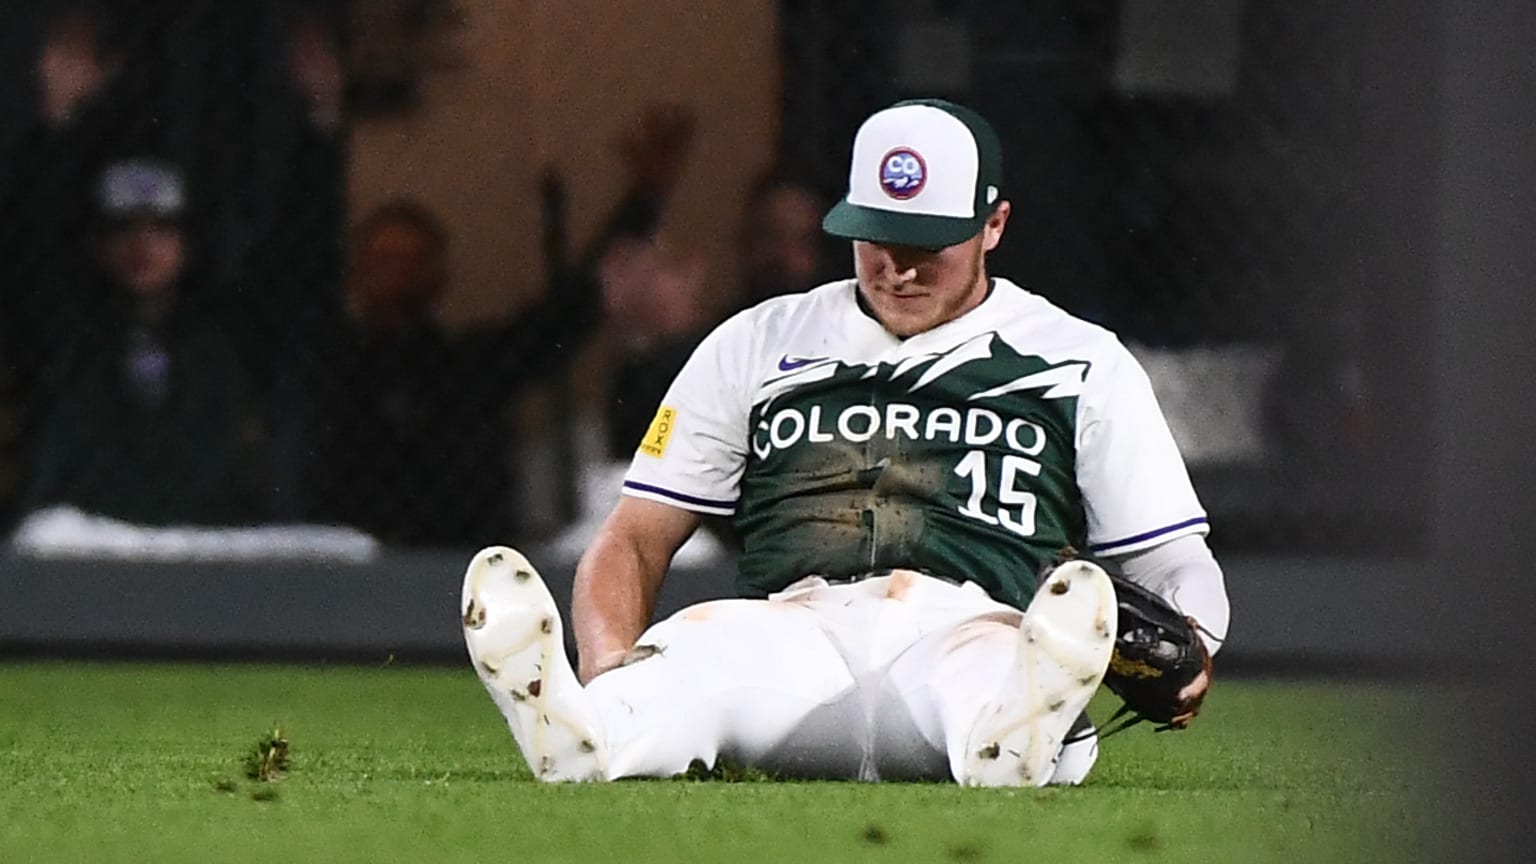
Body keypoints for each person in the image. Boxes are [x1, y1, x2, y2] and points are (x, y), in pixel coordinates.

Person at [460, 99, 1231, 787]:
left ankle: (1014, 735)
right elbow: (634, 537)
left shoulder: (1080, 360)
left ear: (993, 225)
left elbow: (1172, 554)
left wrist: (1195, 638)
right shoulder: (755, 342)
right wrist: (605, 671)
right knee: (695, 654)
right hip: (793, 630)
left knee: (996, 674)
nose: (895, 267)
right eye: (876, 239)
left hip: (969, 626)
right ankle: (588, 730)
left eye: (927, 244)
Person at [16, 158, 263, 525]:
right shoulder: (73, 347)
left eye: (161, 229)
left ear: (187, 246)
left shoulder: (217, 350)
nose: (142, 245)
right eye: (122, 229)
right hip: (92, 543)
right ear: (96, 246)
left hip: (200, 541)